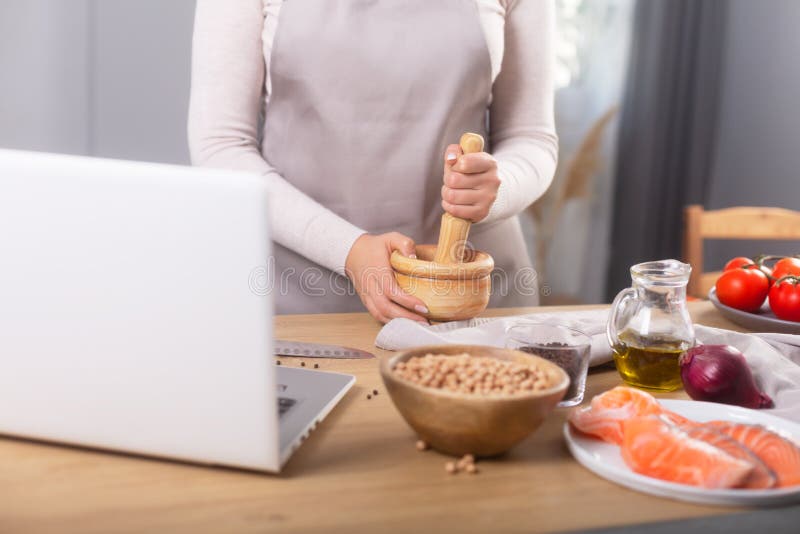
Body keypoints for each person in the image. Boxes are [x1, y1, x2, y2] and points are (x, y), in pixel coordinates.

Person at [188, 0, 558, 323]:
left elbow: (532, 138)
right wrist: (349, 251)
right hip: (299, 299)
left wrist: (497, 188)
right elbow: (221, 145)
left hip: (469, 295)